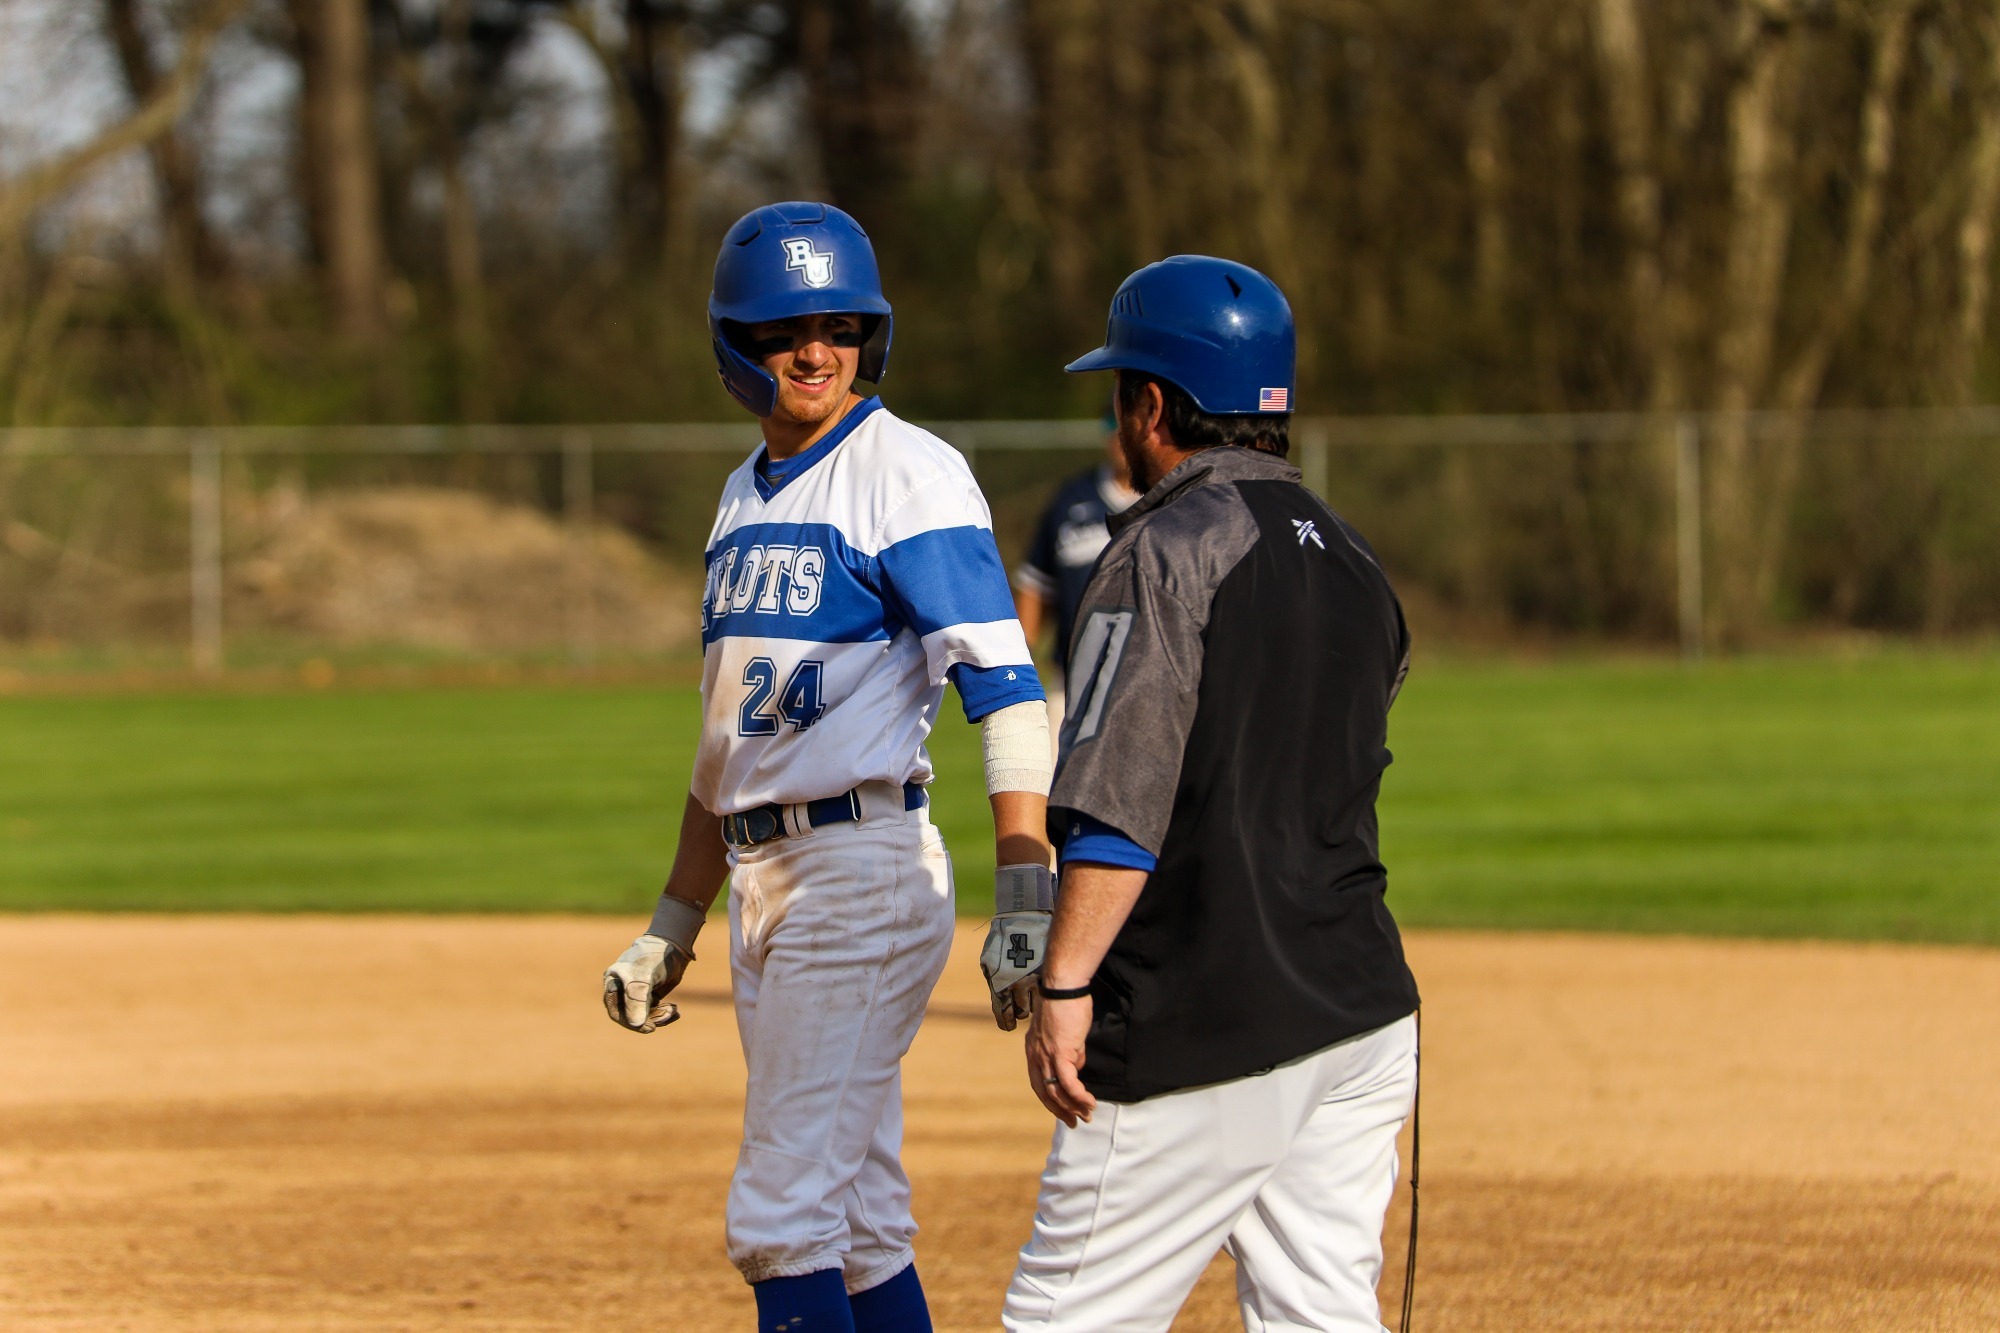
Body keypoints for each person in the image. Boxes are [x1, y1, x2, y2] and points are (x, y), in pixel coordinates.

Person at [600, 201, 1057, 1333]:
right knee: (852, 1214)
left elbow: (1002, 687)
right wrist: (674, 918)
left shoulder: (908, 474)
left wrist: (1025, 889)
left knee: (778, 1216)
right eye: (782, 330)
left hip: (859, 871)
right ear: (732, 348)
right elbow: (725, 749)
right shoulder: (742, 493)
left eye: (841, 325)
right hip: (769, 879)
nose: (815, 352)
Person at [992, 256, 1423, 1332]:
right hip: (1360, 1012)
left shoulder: (1158, 552)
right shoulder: (1356, 561)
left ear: (1149, 403)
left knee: (1061, 1320)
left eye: (1118, 389)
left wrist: (1065, 985)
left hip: (1204, 1010)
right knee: (1319, 1316)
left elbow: (1118, 806)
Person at [1011, 414, 1139, 690]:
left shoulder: (1171, 496)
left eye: (1128, 426)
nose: (1120, 437)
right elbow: (1036, 582)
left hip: (1146, 678)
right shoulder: (1071, 497)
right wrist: (1020, 661)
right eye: (1113, 426)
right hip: (1073, 677)